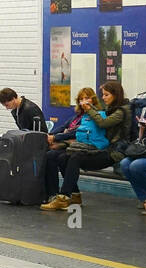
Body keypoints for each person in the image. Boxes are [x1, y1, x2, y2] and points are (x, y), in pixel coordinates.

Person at [40, 81, 132, 211]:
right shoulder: (105, 110)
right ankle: (74, 194)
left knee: (74, 157)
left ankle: (64, 197)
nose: (104, 98)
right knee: (62, 157)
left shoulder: (121, 112)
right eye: (103, 95)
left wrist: (90, 110)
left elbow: (103, 124)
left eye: (106, 95)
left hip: (113, 152)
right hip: (100, 148)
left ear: (115, 95)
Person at [0, 87, 47, 191]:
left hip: (32, 142)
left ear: (13, 99)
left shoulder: (30, 109)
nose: (7, 108)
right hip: (24, 138)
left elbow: (41, 132)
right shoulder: (16, 110)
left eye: (7, 105)